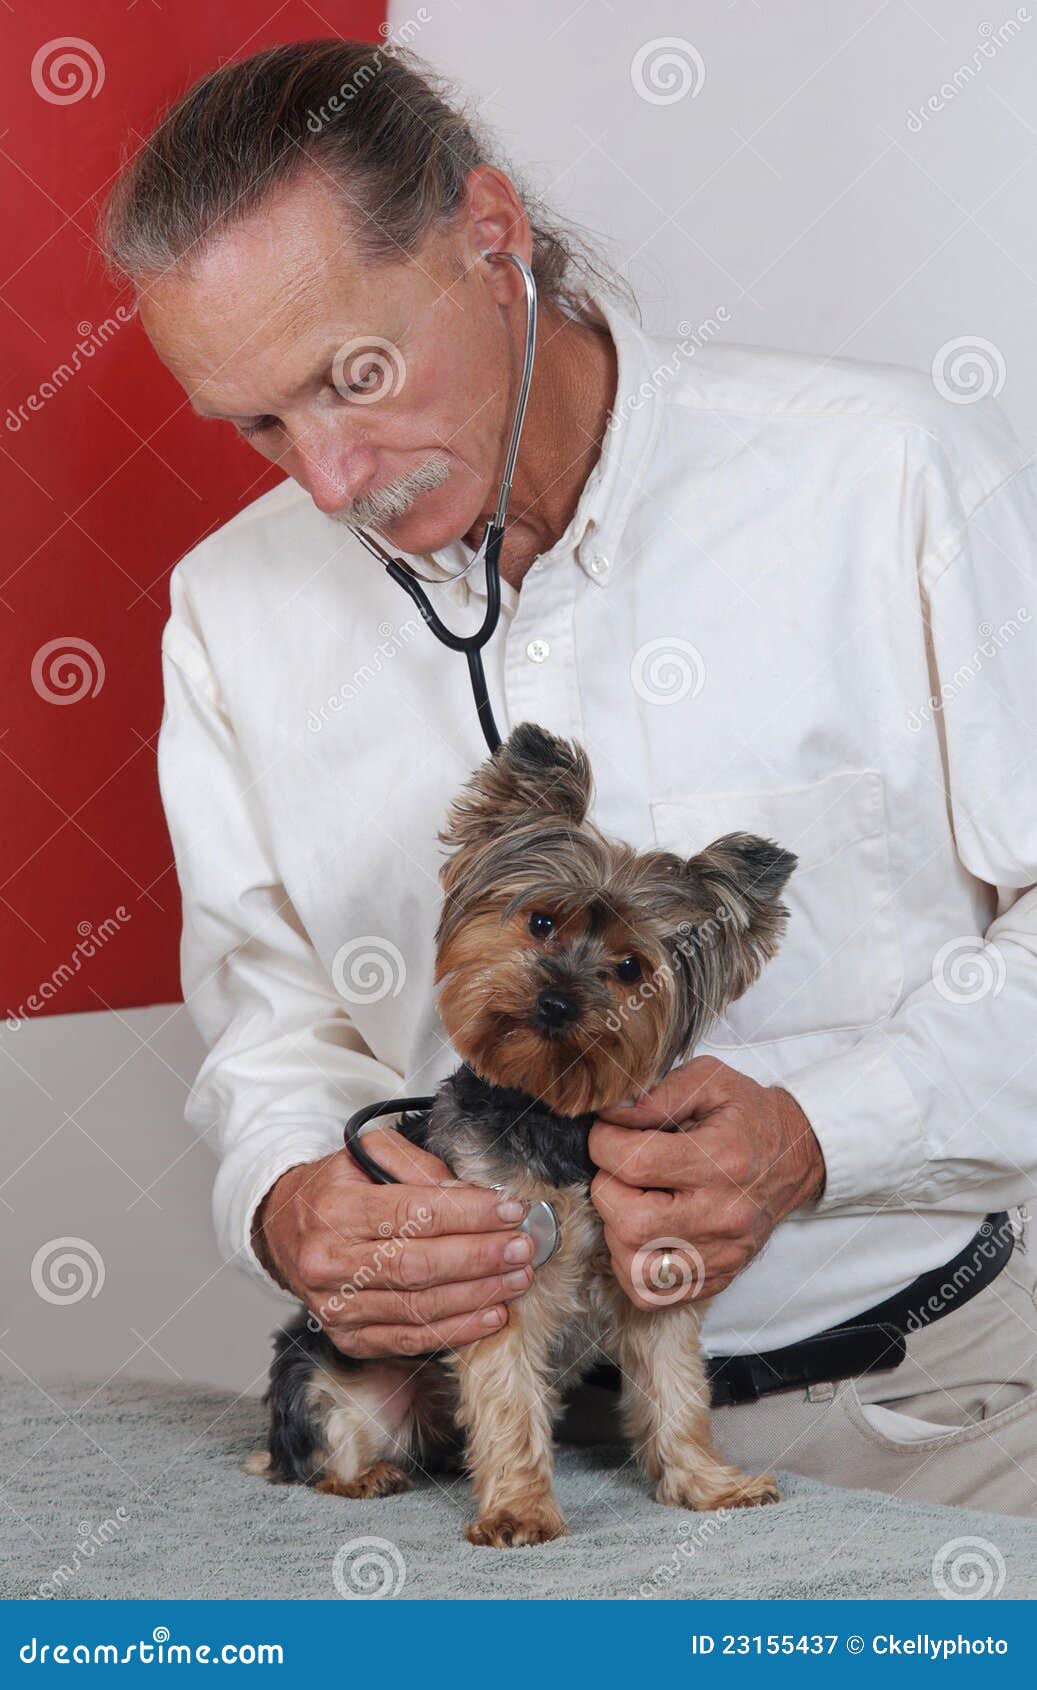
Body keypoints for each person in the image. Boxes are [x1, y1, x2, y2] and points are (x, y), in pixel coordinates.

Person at [101, 39, 1037, 1515]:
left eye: (356, 375)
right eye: (262, 425)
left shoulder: (886, 474)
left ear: (489, 236)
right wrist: (296, 1208)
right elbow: (275, 1040)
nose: (332, 479)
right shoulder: (229, 609)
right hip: (479, 1446)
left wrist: (825, 1133)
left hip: (929, 1416)